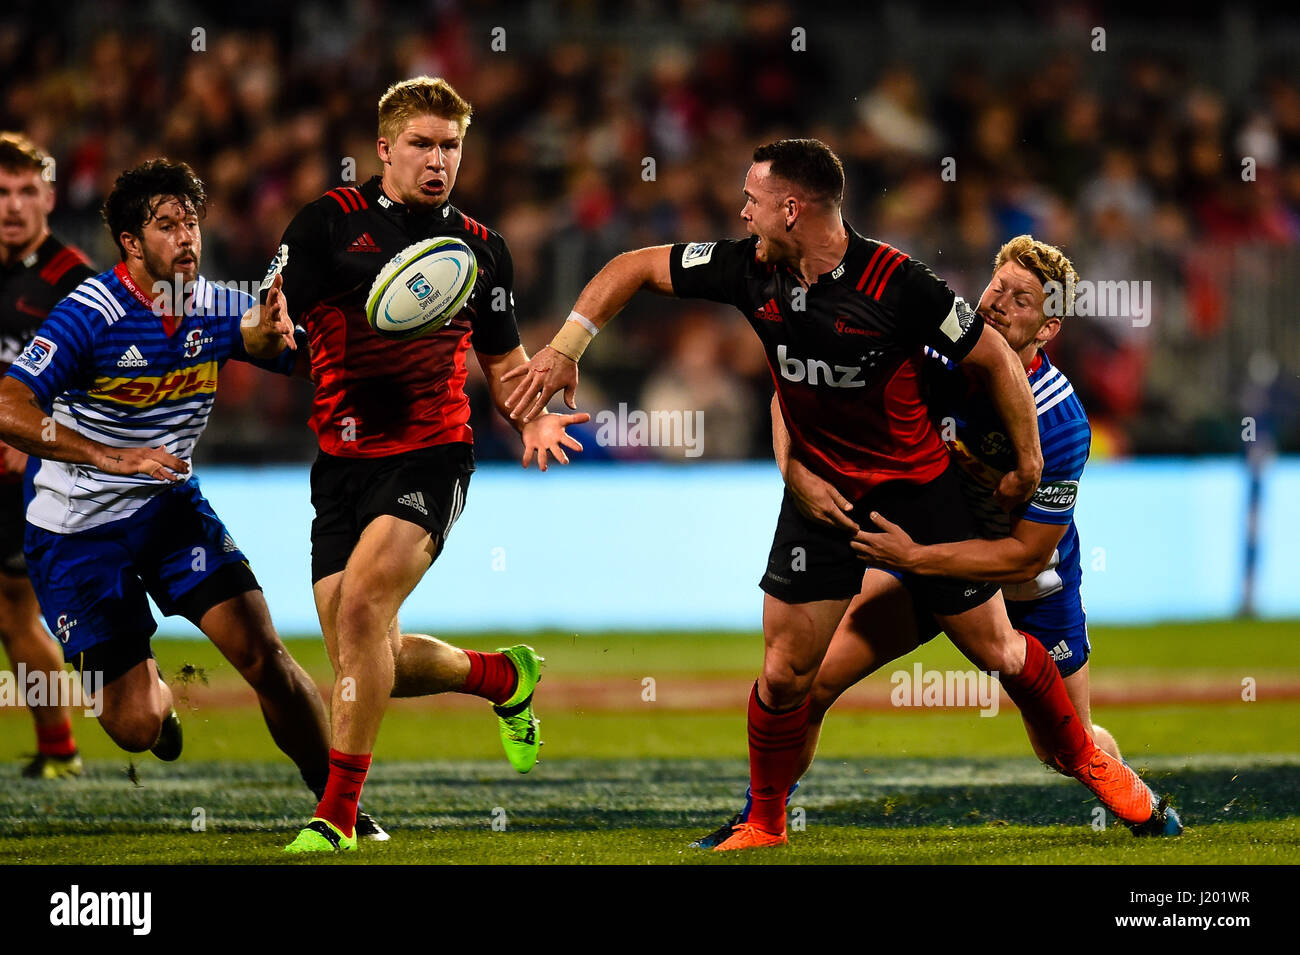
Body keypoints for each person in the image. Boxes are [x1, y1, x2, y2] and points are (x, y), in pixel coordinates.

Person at [504, 139, 1165, 850]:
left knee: (1018, 680)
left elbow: (1021, 542)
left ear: (793, 208)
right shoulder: (760, 273)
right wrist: (570, 345)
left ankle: (1088, 758)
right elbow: (769, 368)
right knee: (793, 675)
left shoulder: (925, 306)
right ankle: (764, 817)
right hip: (842, 505)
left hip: (982, 546)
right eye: (997, 288)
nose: (740, 213)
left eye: (752, 201)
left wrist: (1013, 476)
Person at [693, 235, 1181, 846]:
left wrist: (915, 556)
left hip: (1024, 584)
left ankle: (1143, 804)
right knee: (810, 683)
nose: (999, 303)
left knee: (1062, 747)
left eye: (1022, 299)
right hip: (926, 559)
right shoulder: (929, 350)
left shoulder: (1059, 421)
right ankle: (760, 818)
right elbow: (801, 385)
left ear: (1049, 326)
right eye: (997, 286)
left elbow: (1027, 553)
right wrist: (795, 471)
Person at [0, 158, 390, 835]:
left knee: (264, 653)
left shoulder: (218, 306)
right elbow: (9, 403)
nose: (186, 238)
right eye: (166, 224)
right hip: (75, 531)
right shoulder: (89, 313)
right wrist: (107, 454)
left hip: (171, 508)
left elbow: (296, 351)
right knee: (133, 724)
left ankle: (339, 807)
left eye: (192, 223)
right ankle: (156, 703)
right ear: (129, 241)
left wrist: (325, 337)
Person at [270, 76, 588, 853]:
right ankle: (502, 677)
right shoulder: (324, 226)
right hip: (340, 458)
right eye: (421, 144)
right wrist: (271, 336)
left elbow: (505, 365)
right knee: (363, 650)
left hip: (432, 453)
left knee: (359, 614)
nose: (437, 158)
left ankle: (337, 816)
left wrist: (533, 413)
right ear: (384, 150)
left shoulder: (480, 249)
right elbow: (275, 330)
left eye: (450, 145)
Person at [0, 132, 94, 778]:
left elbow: (95, 379)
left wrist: (28, 433)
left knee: (16, 608)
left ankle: (62, 740)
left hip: (29, 475)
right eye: (1, 193)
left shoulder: (73, 281)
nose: (12, 205)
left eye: (26, 191)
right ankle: (58, 743)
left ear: (50, 197)